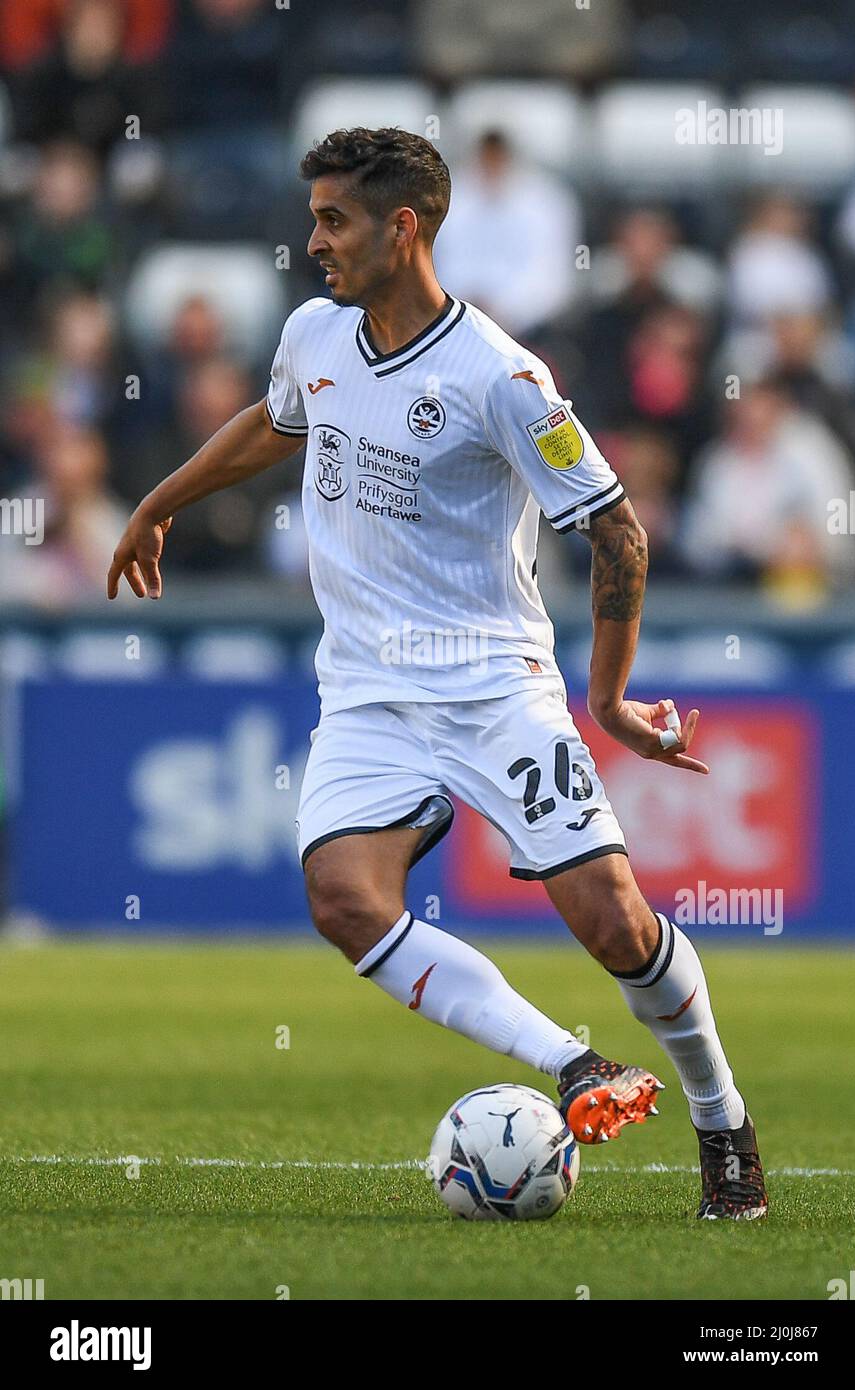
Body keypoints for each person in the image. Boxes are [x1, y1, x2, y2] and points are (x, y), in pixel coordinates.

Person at [108, 128, 767, 1221]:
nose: (313, 240)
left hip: (494, 688)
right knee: (342, 897)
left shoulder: (500, 375)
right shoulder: (314, 332)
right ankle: (575, 1064)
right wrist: (154, 503)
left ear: (401, 226)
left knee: (614, 923)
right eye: (314, 215)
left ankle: (720, 1118)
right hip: (366, 692)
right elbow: (278, 424)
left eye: (334, 220)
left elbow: (619, 534)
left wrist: (603, 700)